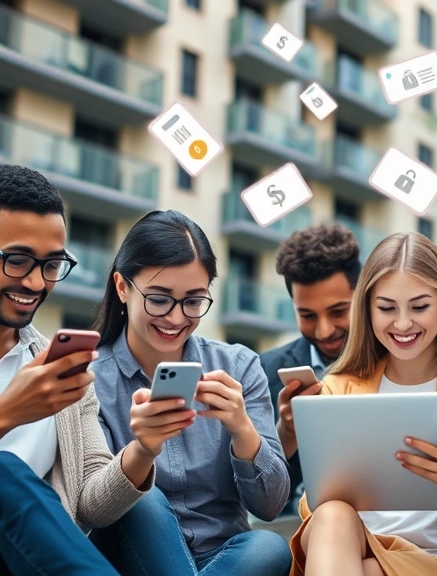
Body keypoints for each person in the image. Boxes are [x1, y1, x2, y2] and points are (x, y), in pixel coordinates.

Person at [0, 165, 168, 575]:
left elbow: (91, 503)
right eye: (17, 260)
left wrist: (143, 448)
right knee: (0, 473)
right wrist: (6, 413)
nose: (37, 283)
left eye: (52, 264)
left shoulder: (56, 364)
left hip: (26, 561)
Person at [287, 231, 437, 576]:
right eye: (386, 308)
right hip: (351, 544)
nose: (403, 323)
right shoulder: (337, 386)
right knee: (332, 514)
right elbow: (312, 514)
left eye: (419, 306)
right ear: (367, 309)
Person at [89, 210, 292, 575]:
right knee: (142, 495)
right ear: (122, 287)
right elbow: (91, 507)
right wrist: (142, 451)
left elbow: (270, 507)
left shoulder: (239, 367)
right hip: (130, 560)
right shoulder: (90, 378)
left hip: (226, 557)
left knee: (268, 546)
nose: (176, 318)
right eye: (159, 299)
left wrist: (242, 429)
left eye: (193, 301)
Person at [260, 223, 362, 515]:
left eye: (338, 311)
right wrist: (287, 433)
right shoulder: (267, 371)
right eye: (307, 315)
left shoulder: (396, 364)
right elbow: (260, 499)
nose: (324, 330)